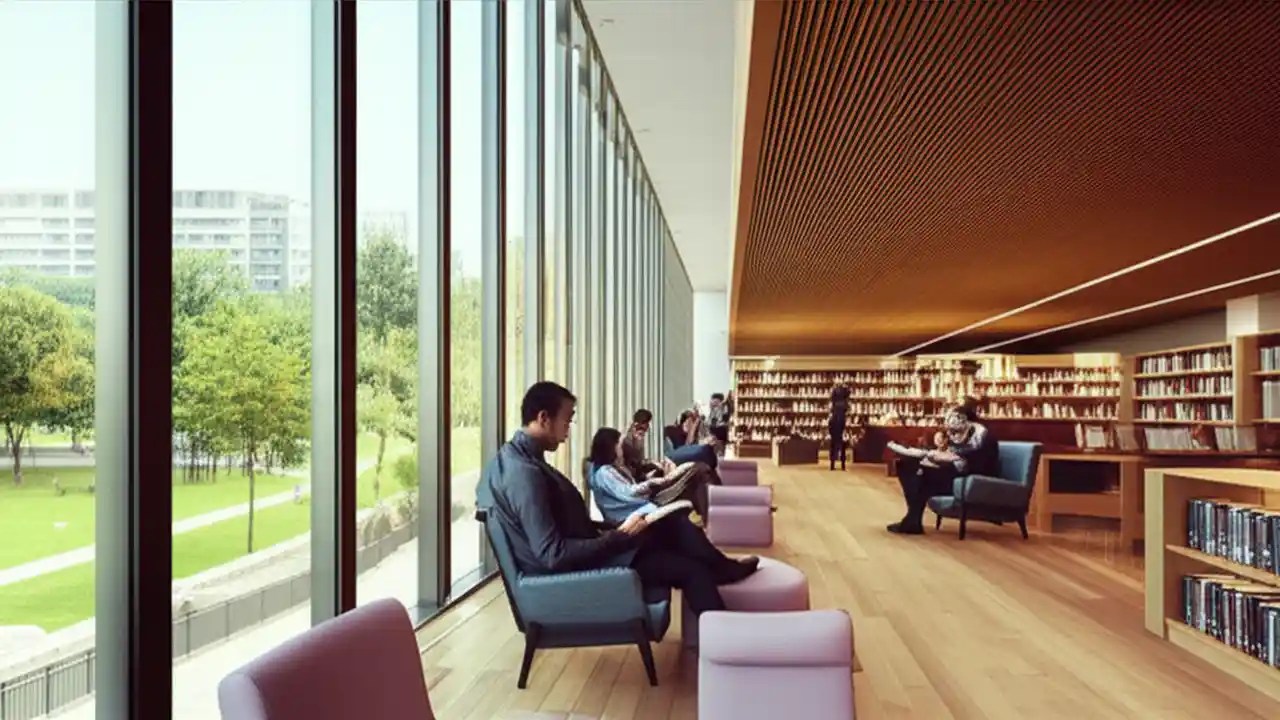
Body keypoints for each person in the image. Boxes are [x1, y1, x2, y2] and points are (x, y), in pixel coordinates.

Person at [476, 382, 756, 617]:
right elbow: (552, 554)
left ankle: (723, 581)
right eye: (567, 420)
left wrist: (616, 531)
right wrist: (619, 536)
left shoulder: (519, 461)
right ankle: (725, 634)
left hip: (595, 552)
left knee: (674, 525)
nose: (568, 430)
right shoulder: (525, 473)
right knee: (691, 566)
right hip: (589, 568)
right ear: (543, 418)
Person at [887, 404, 998, 535]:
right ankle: (913, 518)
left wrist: (946, 459)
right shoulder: (963, 432)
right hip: (955, 472)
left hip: (969, 479)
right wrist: (941, 449)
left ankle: (913, 520)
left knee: (922, 475)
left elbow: (973, 464)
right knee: (906, 465)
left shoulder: (982, 436)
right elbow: (953, 452)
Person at [589, 427, 715, 521]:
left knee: (698, 472)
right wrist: (651, 483)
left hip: (642, 504)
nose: (621, 449)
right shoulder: (604, 473)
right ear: (611, 447)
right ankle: (705, 518)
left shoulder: (608, 470)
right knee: (698, 471)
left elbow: (628, 488)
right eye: (619, 445)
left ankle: (704, 517)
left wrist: (651, 478)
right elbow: (628, 493)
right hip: (638, 511)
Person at [828, 383, 850, 471]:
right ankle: (843, 465)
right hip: (841, 429)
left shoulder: (834, 407)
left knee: (833, 446)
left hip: (834, 430)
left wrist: (830, 431)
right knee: (842, 447)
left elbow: (830, 422)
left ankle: (832, 464)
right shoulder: (844, 405)